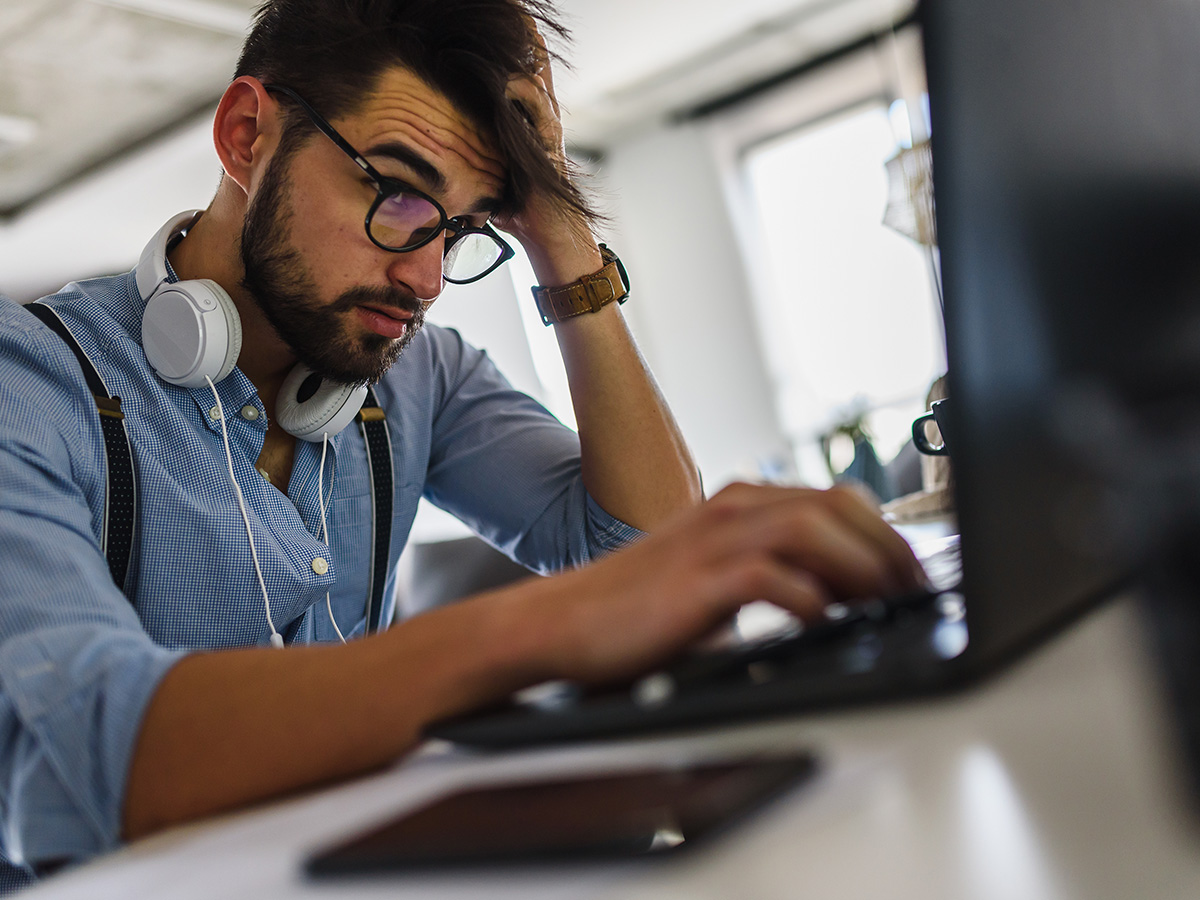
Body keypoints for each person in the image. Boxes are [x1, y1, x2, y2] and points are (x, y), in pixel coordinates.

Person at [0, 0, 924, 887]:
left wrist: (559, 231)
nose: (427, 278)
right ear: (246, 135)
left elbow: (646, 552)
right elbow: (89, 754)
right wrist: (541, 628)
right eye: (398, 197)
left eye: (462, 230)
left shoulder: (420, 377)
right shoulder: (29, 383)